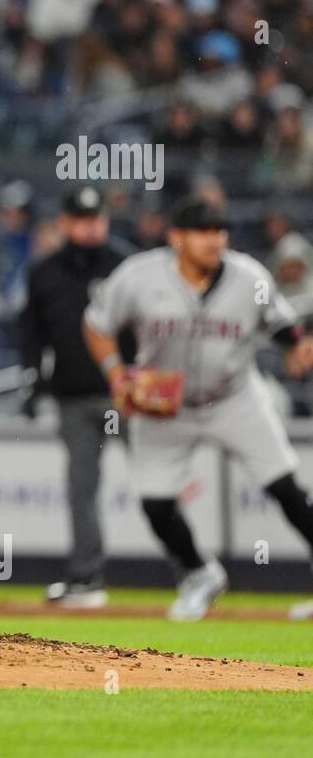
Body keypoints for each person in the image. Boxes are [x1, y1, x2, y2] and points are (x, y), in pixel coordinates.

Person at [83, 196, 313, 621]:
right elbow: (97, 324)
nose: (213, 240)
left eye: (219, 231)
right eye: (202, 231)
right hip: (163, 404)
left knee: (286, 489)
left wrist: (298, 348)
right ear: (176, 238)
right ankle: (199, 573)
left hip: (235, 397)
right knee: (154, 503)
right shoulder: (138, 276)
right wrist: (116, 373)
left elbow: (281, 324)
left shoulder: (249, 276)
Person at [18, 185, 132, 607]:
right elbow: (30, 332)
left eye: (96, 219)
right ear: (64, 222)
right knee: (81, 488)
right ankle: (87, 579)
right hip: (74, 396)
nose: (89, 228)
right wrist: (31, 379)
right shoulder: (44, 271)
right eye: (81, 220)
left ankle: (191, 571)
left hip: (128, 396)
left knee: (160, 480)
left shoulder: (126, 265)